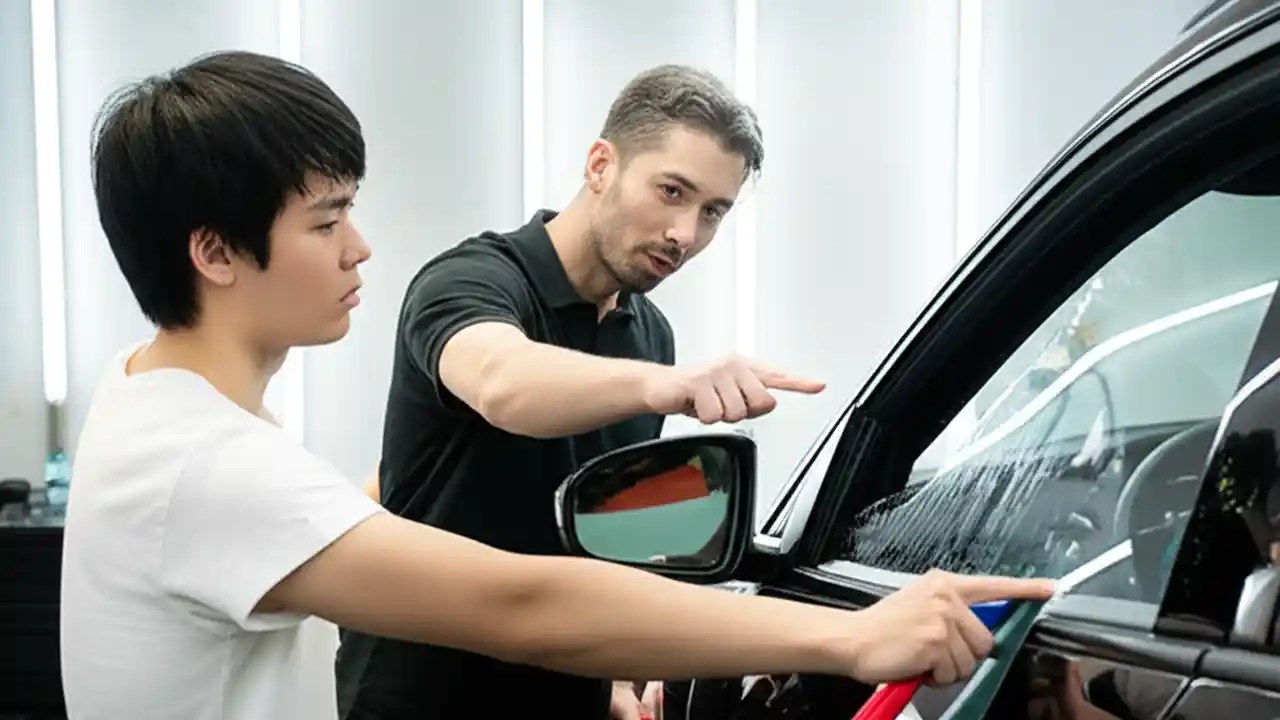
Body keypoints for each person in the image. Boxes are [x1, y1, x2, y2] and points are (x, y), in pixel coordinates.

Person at [58, 49, 1055, 720]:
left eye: (713, 212)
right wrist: (850, 636)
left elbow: (332, 506)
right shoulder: (218, 458)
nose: (360, 248)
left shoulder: (151, 398)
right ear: (216, 253)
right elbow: (524, 597)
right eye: (326, 222)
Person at [335, 63, 830, 719]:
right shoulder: (472, 280)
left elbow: (608, 531)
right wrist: (669, 388)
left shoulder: (651, 334)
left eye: (713, 211)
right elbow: (503, 382)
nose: (686, 235)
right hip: (426, 689)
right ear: (601, 166)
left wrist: (620, 682)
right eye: (672, 192)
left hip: (566, 683)